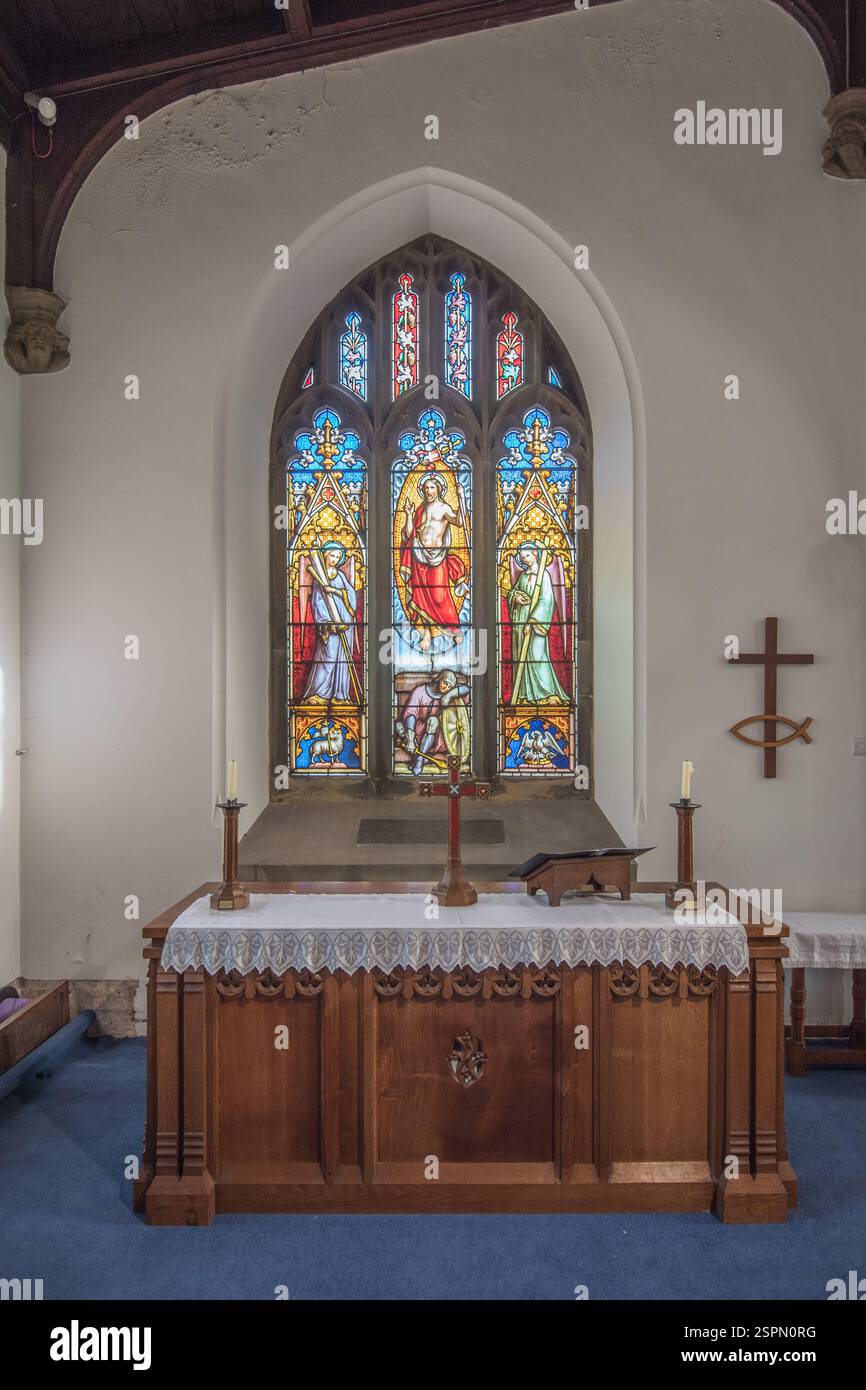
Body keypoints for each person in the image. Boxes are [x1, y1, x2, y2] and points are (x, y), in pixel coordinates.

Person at [399, 472, 468, 650]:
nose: (428, 490)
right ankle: (427, 634)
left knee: (440, 595)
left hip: (437, 557)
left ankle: (455, 629)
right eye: (425, 488)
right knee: (420, 596)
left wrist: (462, 497)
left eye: (432, 487)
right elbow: (408, 534)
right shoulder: (420, 509)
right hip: (418, 555)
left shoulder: (444, 508)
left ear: (438, 489)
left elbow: (459, 521)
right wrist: (408, 514)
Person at [508, 542, 568, 704]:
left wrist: (533, 621)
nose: (525, 559)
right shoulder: (523, 575)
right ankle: (526, 695)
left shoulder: (544, 576)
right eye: (522, 557)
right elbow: (513, 592)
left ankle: (547, 693)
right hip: (521, 620)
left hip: (536, 623)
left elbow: (546, 600)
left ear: (535, 554)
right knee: (522, 656)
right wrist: (516, 598)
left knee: (537, 655)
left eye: (527, 555)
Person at [302, 541, 359, 702]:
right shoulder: (319, 577)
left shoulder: (339, 575)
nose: (334, 559)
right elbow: (317, 602)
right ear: (325, 555)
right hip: (330, 625)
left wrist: (334, 590)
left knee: (342, 659)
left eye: (337, 556)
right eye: (332, 555)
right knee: (329, 657)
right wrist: (327, 622)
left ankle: (339, 695)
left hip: (344, 622)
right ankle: (318, 693)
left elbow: (351, 596)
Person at [399, 668, 470, 775]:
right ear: (439, 679)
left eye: (450, 687)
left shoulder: (450, 696)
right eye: (445, 683)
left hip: (442, 737)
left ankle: (419, 759)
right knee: (432, 721)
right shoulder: (420, 691)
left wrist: (451, 693)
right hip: (419, 732)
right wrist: (410, 734)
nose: (446, 688)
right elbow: (411, 713)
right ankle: (422, 759)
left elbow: (467, 689)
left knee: (434, 721)